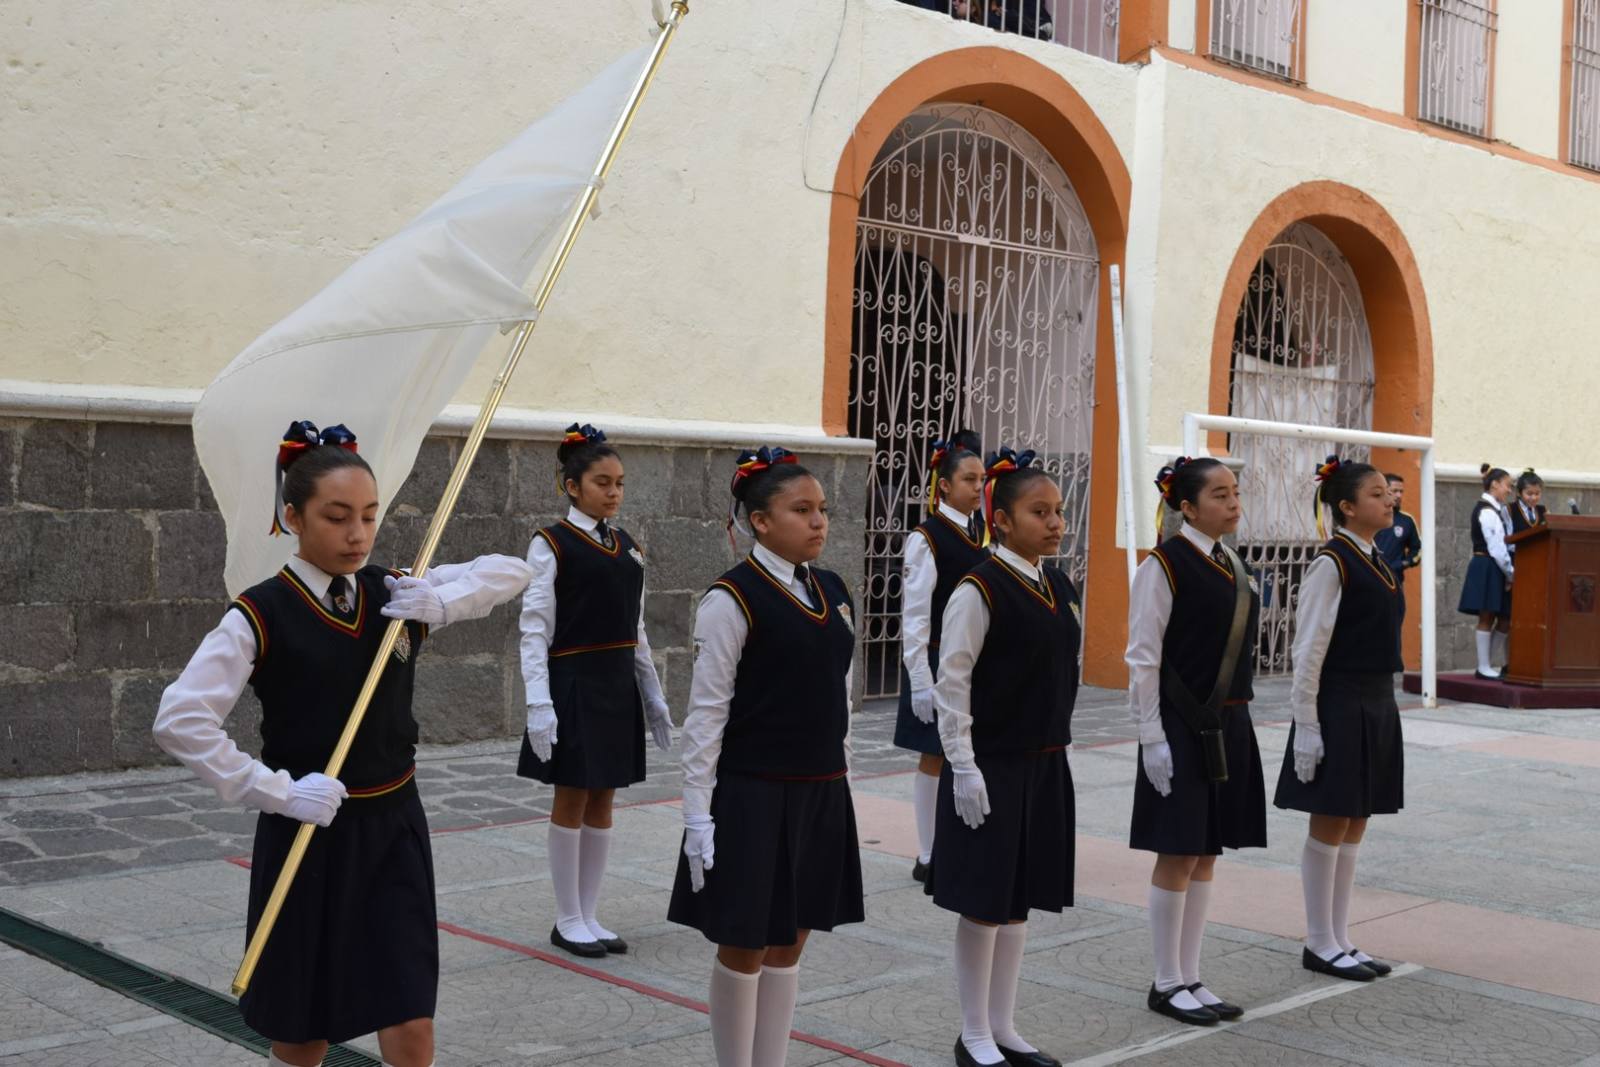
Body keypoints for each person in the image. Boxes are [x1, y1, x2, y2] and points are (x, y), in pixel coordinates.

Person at [153, 421, 533, 1067]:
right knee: (303, 1030)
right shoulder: (260, 612)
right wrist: (275, 790)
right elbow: (180, 719)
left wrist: (443, 600)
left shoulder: (396, 596)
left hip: (392, 826)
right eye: (336, 517)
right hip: (309, 830)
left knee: (409, 1013)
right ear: (293, 516)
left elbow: (513, 570)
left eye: (368, 515)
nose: (357, 533)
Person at [667, 448, 863, 1067]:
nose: (819, 522)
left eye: (823, 510)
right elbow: (706, 715)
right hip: (754, 794)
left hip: (820, 789)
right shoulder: (732, 598)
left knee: (793, 938)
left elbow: (842, 693)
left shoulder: (831, 588)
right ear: (759, 521)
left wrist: (845, 771)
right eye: (801, 510)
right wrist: (697, 815)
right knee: (746, 941)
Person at [930, 447, 1077, 1067]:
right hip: (991, 766)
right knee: (985, 902)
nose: (1054, 522)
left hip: (1044, 762)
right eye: (1038, 512)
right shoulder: (979, 586)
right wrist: (962, 764)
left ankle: (1005, 1025)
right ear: (1003, 519)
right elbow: (953, 679)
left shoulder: (1058, 583)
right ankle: (974, 1034)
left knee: (1020, 900)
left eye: (1058, 511)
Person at [518, 422, 674, 958]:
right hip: (573, 681)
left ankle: (590, 911)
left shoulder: (627, 546)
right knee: (574, 795)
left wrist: (651, 694)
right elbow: (534, 627)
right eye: (602, 482)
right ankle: (567, 918)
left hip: (615, 681)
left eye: (620, 483)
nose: (614, 492)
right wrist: (538, 701)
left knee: (605, 796)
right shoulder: (551, 544)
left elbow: (638, 625)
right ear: (573, 486)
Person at [1125, 457, 1265, 1026]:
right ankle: (1165, 981)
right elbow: (1142, 657)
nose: (1233, 503)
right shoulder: (1164, 565)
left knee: (1207, 851)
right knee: (1178, 849)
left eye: (1235, 493)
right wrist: (1151, 736)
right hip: (1181, 725)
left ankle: (1191, 973)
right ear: (1186, 507)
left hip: (1228, 722)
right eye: (1219, 495)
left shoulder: (1231, 561)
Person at [1274, 456, 1404, 985]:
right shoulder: (1334, 561)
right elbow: (1308, 649)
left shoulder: (1377, 557)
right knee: (1331, 819)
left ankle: (1340, 935)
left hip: (1375, 699)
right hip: (1340, 701)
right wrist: (1307, 722)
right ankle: (1318, 940)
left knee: (1357, 820)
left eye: (1387, 493)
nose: (1389, 499)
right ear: (1347, 507)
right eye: (1376, 494)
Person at [896, 430, 987, 883]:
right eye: (968, 479)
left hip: (971, 661)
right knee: (934, 755)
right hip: (935, 659)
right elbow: (914, 614)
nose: (977, 487)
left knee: (965, 752)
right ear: (944, 485)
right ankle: (928, 854)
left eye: (981, 479)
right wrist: (919, 677)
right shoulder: (927, 538)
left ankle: (958, 843)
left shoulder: (983, 534)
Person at [1456, 464, 1515, 679]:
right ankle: (1483, 666)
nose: (1509, 490)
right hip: (1488, 565)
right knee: (1487, 615)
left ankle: (1486, 662)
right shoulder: (1487, 512)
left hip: (1493, 566)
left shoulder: (1497, 511)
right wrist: (1511, 573)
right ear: (1494, 484)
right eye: (1507, 486)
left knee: (1503, 617)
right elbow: (1497, 548)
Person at [1510, 468, 1547, 536]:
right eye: (1529, 494)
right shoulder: (1510, 510)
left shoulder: (1544, 511)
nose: (1533, 498)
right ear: (1519, 492)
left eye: (1537, 494)